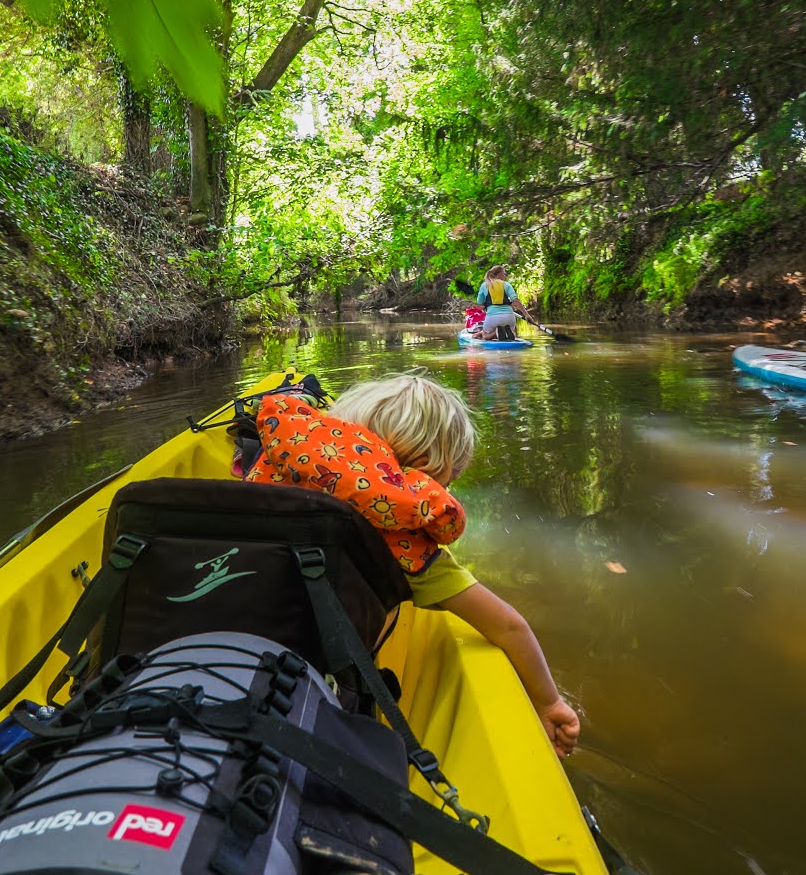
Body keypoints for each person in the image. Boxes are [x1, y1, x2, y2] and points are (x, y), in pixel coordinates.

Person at [249, 372, 582, 757]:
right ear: (423, 469)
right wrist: (549, 703)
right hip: (308, 673)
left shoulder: (279, 467)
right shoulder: (407, 541)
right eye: (449, 479)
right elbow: (509, 627)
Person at [474, 264, 532, 340]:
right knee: (513, 330)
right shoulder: (507, 285)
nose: (505, 276)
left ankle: (496, 332)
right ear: (500, 274)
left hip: (492, 317)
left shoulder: (484, 285)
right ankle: (511, 334)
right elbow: (515, 301)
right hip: (509, 317)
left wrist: (485, 306)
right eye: (504, 274)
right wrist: (526, 315)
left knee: (485, 335)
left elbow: (479, 302)